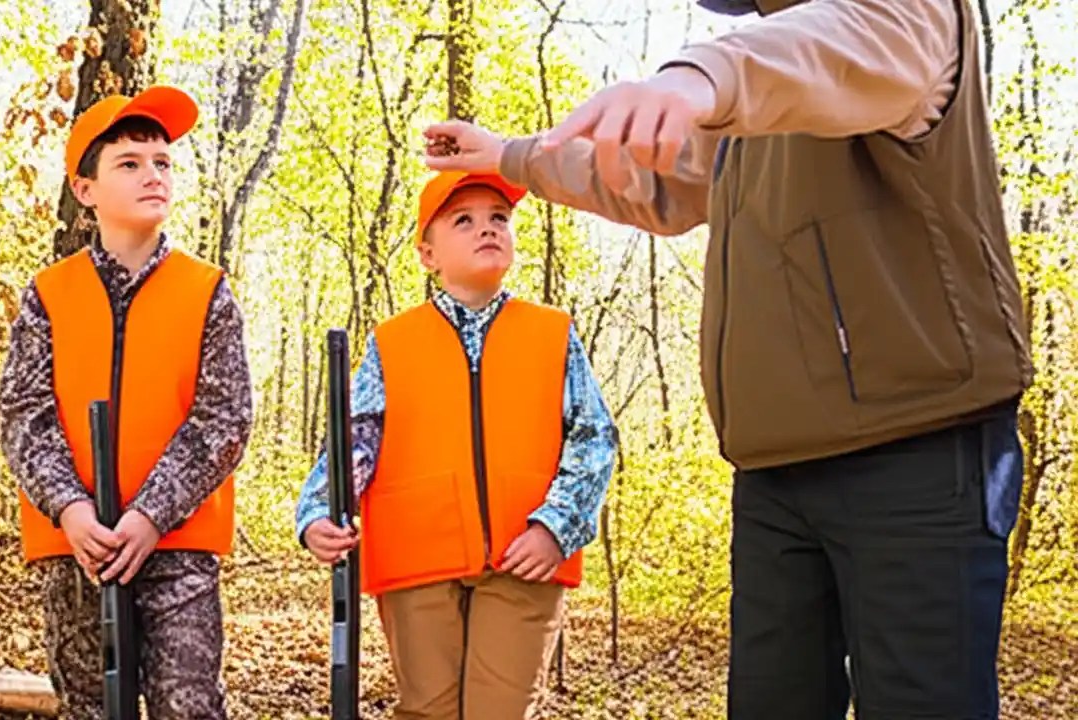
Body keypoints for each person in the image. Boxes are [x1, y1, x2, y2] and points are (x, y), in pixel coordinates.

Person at [423, 1, 1032, 718]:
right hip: (775, 471)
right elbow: (649, 178)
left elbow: (821, 48)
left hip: (918, 455)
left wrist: (694, 79)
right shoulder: (751, 109)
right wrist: (509, 155)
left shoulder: (901, 20)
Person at [294, 170, 617, 719]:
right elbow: (355, 442)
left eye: (499, 218)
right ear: (427, 255)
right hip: (417, 556)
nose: (486, 229)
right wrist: (319, 512)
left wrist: (555, 527)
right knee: (427, 710)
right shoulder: (392, 343)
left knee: (499, 710)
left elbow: (594, 437)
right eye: (463, 220)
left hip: (524, 558)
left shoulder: (553, 333)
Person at [0, 85, 253, 720]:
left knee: (188, 707)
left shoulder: (207, 291)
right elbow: (23, 413)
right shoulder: (48, 295)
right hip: (75, 548)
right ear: (85, 190)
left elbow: (225, 418)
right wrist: (73, 509)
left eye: (162, 162)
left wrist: (150, 515)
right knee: (90, 709)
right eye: (129, 163)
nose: (152, 175)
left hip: (178, 548)